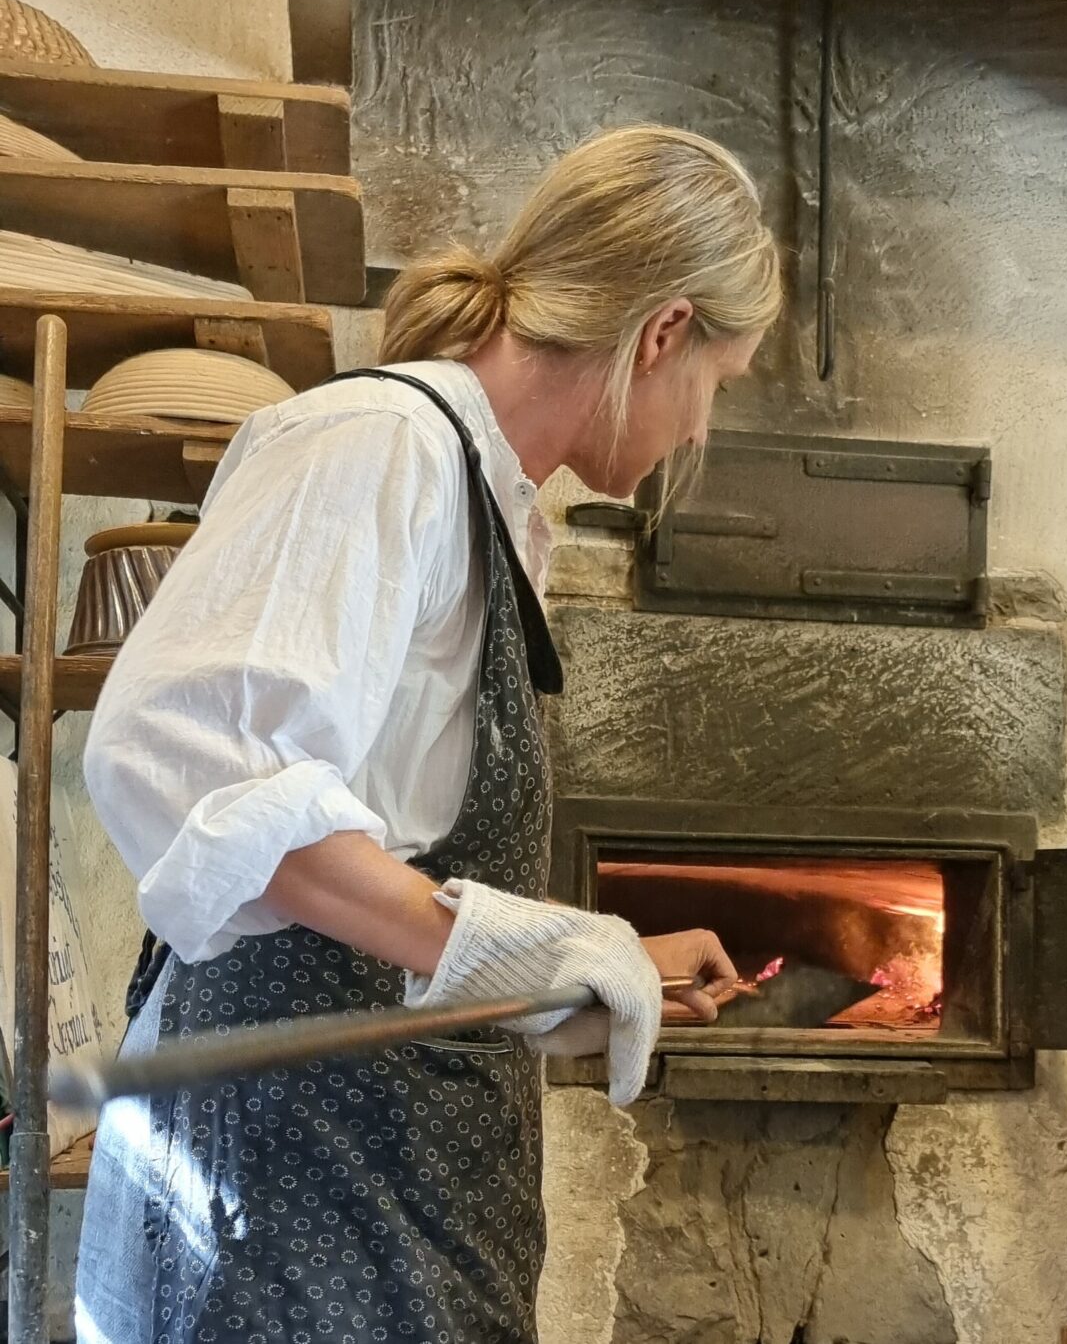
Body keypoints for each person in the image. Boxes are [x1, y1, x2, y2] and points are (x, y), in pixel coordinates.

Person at [73, 125, 783, 1344]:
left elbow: (391, 844)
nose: (696, 433)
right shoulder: (376, 444)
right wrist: (511, 956)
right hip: (302, 1171)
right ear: (660, 333)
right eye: (713, 387)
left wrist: (581, 955)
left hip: (396, 1160)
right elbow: (194, 761)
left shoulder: (484, 497)